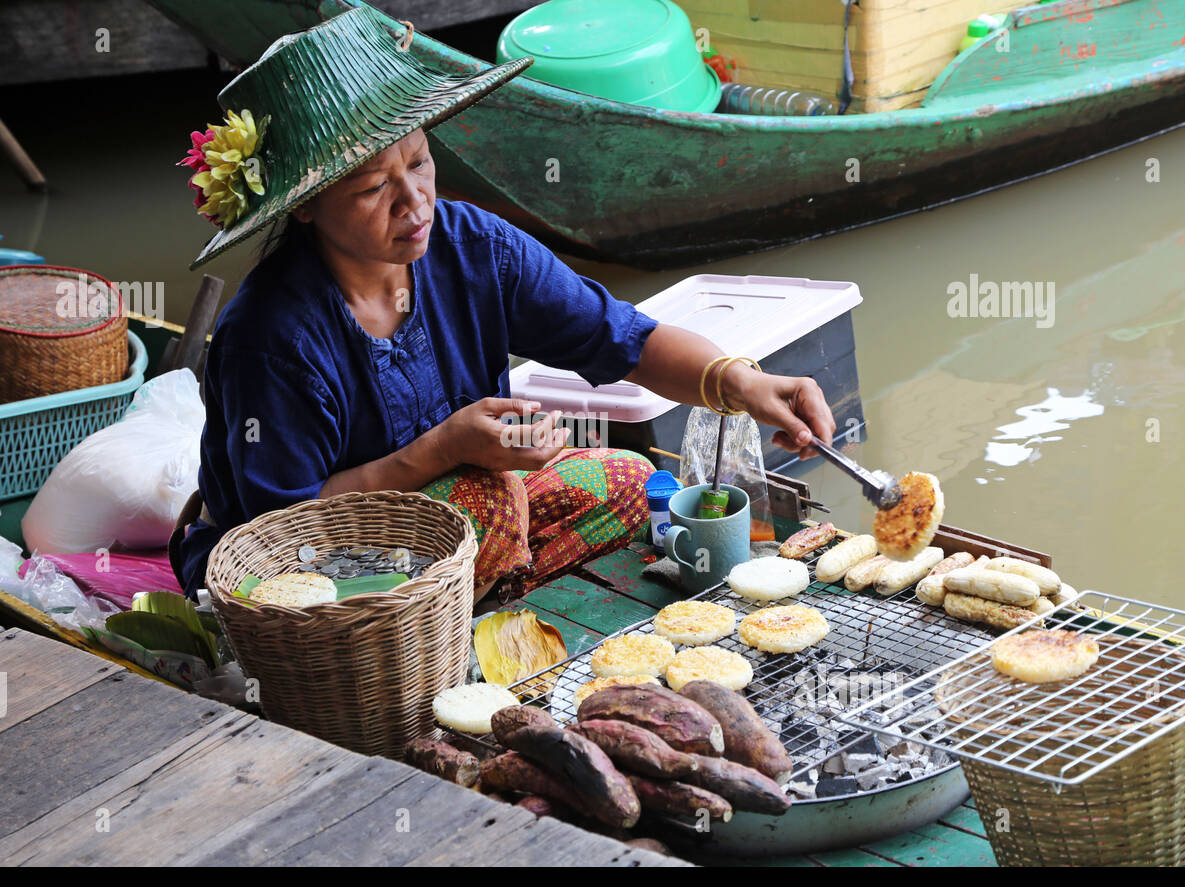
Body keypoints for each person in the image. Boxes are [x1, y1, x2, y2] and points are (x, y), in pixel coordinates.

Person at [169, 8, 834, 603]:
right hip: (299, 568)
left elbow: (623, 339)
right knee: (485, 508)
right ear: (306, 205)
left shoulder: (474, 248)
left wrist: (743, 383)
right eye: (374, 189)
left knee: (628, 481)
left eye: (421, 163)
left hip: (470, 517)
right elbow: (286, 528)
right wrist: (443, 448)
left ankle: (467, 597)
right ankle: (432, 619)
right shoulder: (272, 336)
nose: (414, 202)